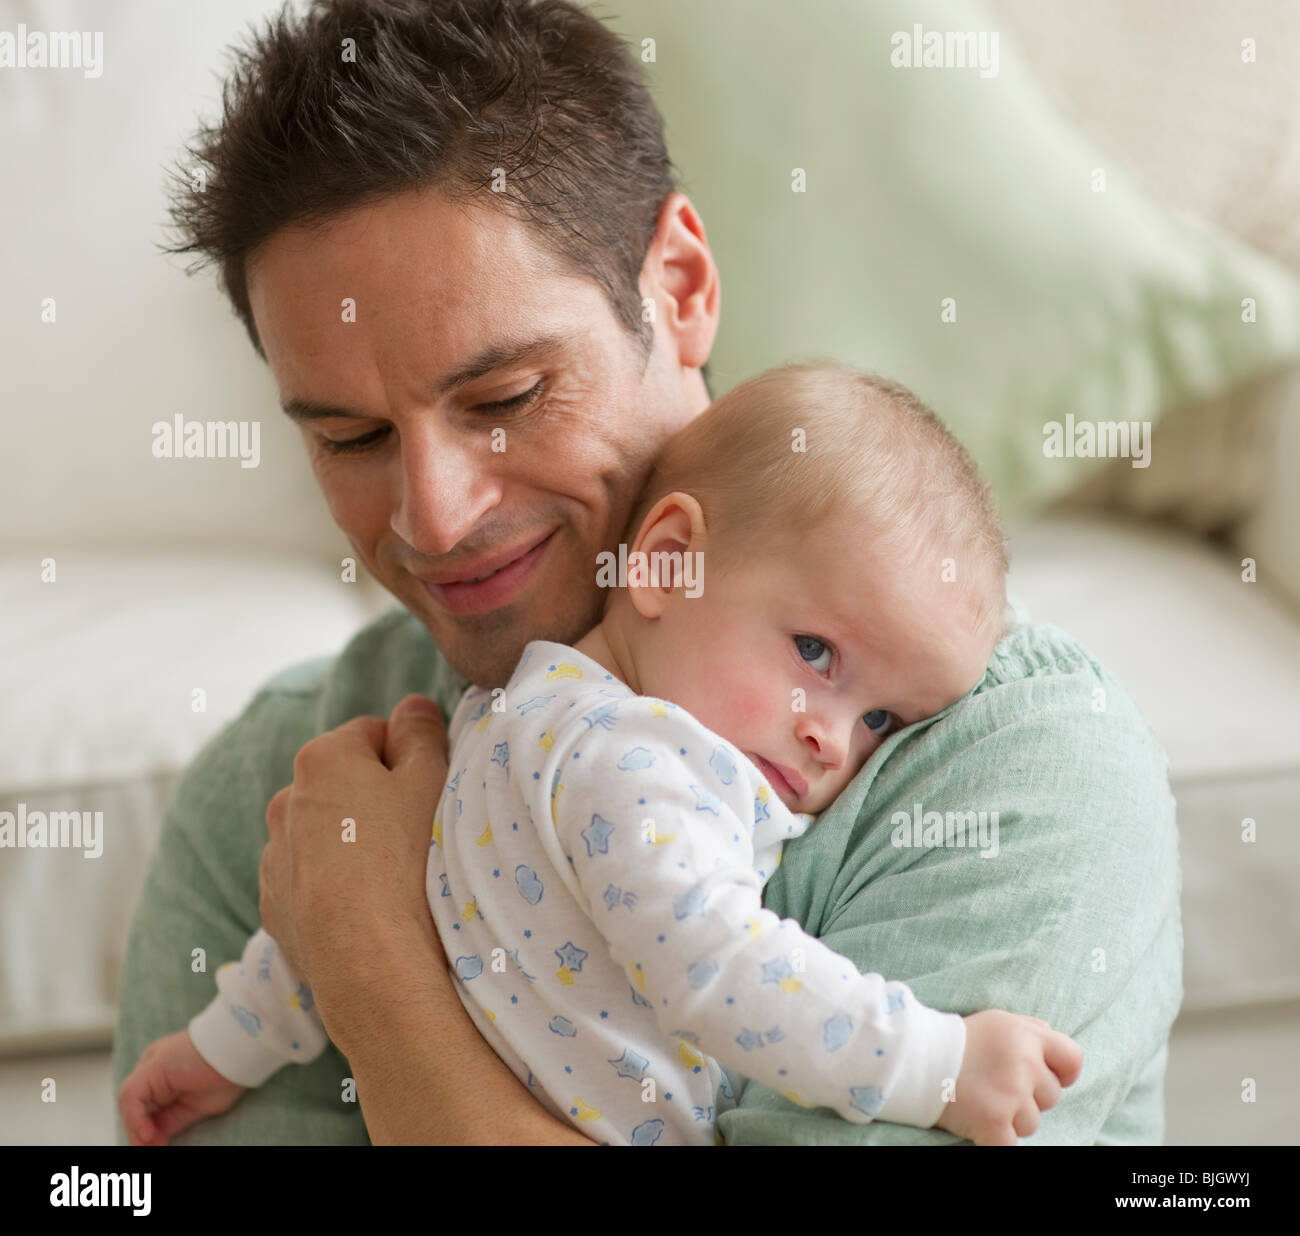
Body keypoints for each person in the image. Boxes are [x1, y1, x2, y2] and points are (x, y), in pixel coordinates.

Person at [112, 0, 1180, 1146]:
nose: (433, 517)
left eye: (508, 398)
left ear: (677, 287)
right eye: (352, 438)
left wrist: (378, 980)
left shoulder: (1011, 767)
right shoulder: (284, 780)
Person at [117, 364, 1085, 1146]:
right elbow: (716, 970)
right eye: (815, 655)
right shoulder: (644, 767)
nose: (832, 736)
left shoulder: (494, 724)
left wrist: (219, 1051)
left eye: (880, 720)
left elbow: (320, 938)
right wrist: (937, 1065)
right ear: (667, 563)